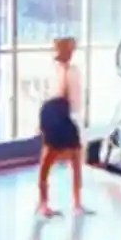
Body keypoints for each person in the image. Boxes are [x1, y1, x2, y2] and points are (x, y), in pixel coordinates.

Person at [37, 36, 91, 218]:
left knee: (76, 157)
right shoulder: (53, 68)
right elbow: (49, 93)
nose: (70, 52)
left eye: (71, 49)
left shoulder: (72, 69)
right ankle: (43, 203)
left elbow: (74, 97)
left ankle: (77, 203)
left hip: (64, 112)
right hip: (53, 111)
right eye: (67, 48)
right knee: (48, 159)